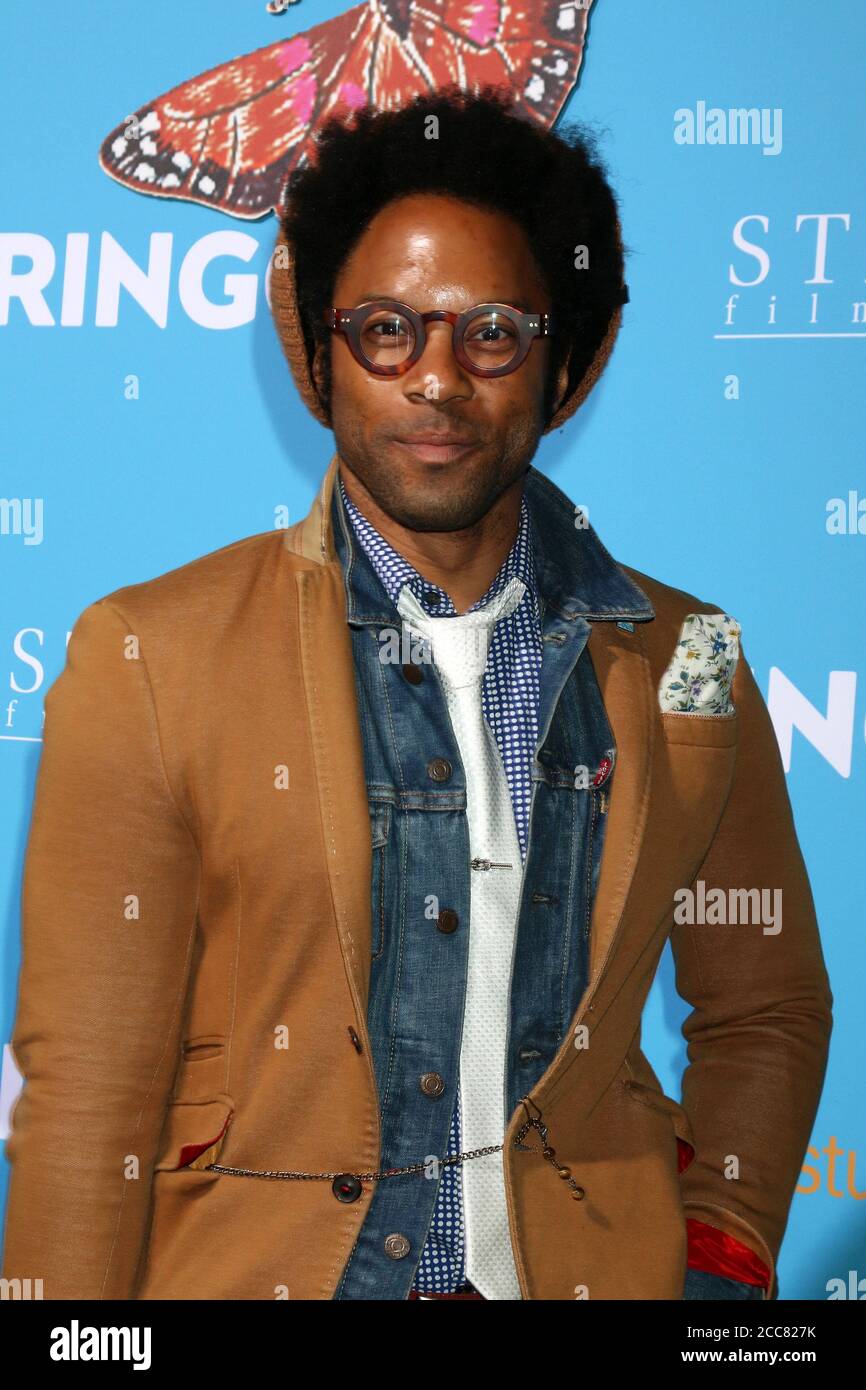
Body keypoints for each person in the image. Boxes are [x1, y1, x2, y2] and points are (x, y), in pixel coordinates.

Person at [2, 87, 832, 1301]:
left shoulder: (689, 654)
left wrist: (714, 1255)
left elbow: (765, 1003)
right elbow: (87, 1095)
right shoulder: (147, 654)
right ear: (317, 353)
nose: (434, 379)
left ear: (565, 360)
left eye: (490, 331)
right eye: (385, 329)